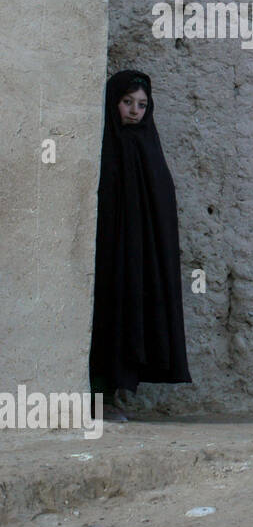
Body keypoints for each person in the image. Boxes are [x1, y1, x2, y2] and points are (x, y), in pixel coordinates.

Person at [89, 70, 192, 419]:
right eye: (127, 102)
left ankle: (116, 393)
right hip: (108, 252)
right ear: (113, 103)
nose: (134, 111)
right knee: (107, 312)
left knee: (133, 311)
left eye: (142, 105)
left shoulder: (148, 144)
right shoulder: (105, 145)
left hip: (139, 253)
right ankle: (97, 396)